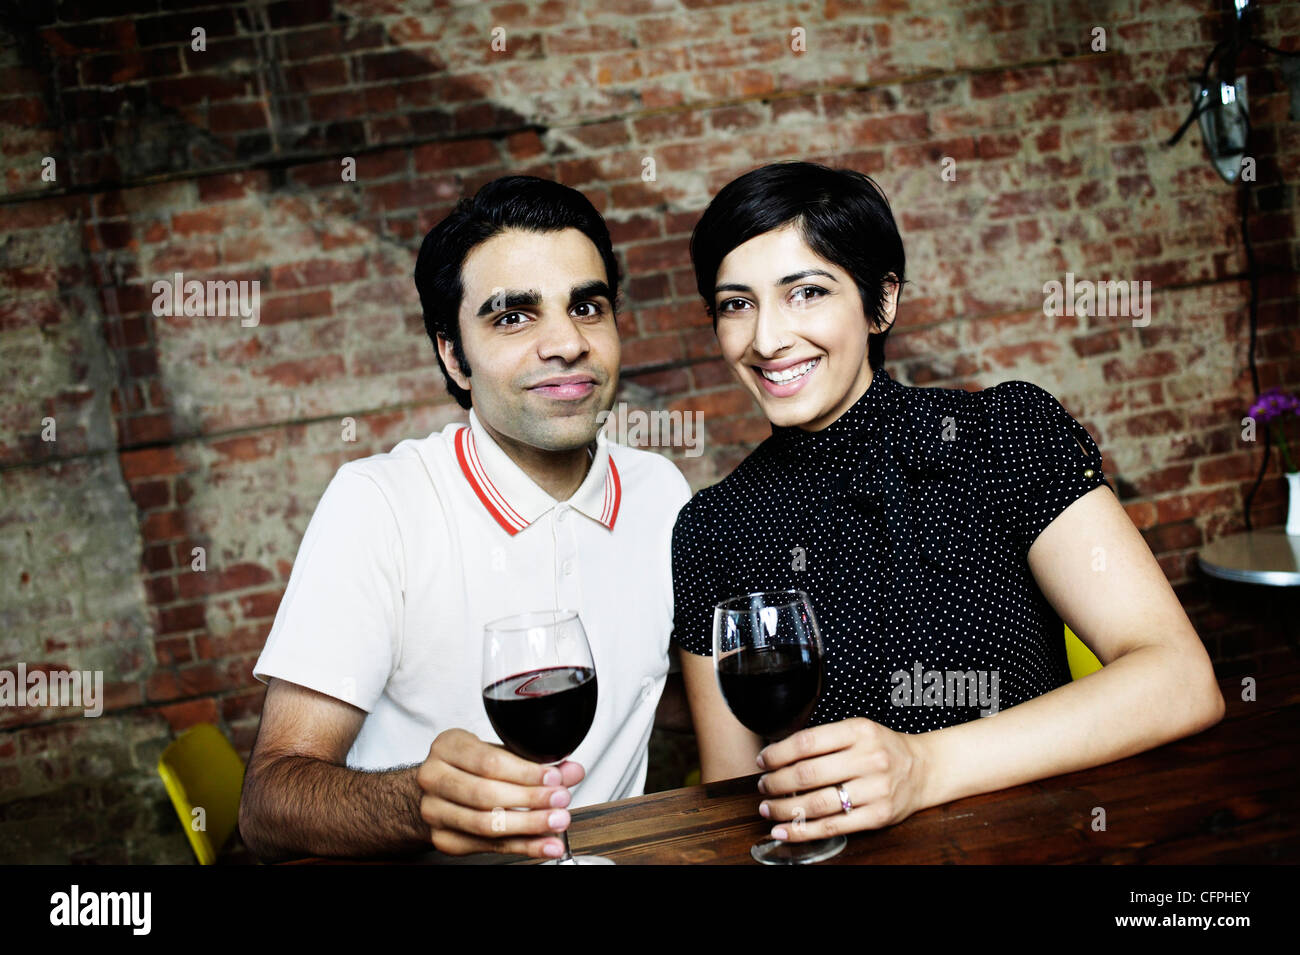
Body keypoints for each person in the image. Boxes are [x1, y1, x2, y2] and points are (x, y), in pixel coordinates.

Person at [672, 161, 1225, 845]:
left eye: (807, 292)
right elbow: (733, 800)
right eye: (736, 304)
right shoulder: (712, 527)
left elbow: (1180, 678)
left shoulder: (1004, 436)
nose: (766, 338)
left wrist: (925, 766)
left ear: (882, 302)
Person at [239, 176, 692, 862]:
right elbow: (267, 801)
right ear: (453, 354)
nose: (566, 342)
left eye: (588, 306)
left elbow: (687, 690)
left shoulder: (662, 492)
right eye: (513, 316)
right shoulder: (379, 503)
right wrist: (419, 799)